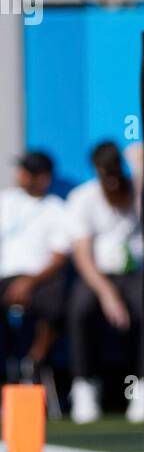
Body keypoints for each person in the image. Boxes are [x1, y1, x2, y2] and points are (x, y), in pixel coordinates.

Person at [65, 142, 144, 425]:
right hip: (98, 275)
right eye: (105, 175)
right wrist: (107, 293)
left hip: (135, 273)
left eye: (116, 174)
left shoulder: (135, 188)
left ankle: (141, 385)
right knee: (80, 308)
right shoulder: (82, 198)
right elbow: (82, 255)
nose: (112, 182)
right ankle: (84, 385)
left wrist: (139, 168)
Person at [0, 152, 70, 385]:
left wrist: (29, 282)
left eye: (27, 172)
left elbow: (59, 257)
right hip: (5, 278)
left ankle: (33, 360)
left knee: (58, 301)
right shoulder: (5, 201)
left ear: (43, 178)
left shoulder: (56, 209)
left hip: (40, 280)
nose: (20, 175)